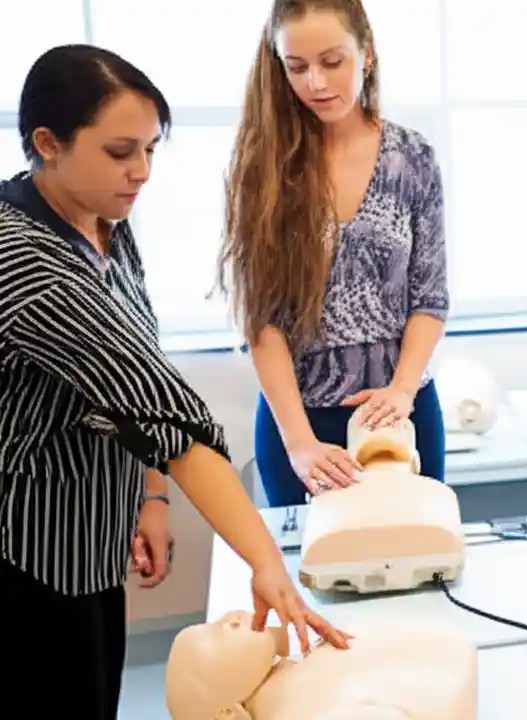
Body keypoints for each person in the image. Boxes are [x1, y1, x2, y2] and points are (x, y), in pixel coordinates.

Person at [0, 44, 346, 720]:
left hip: (92, 532)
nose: (142, 172)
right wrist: (265, 563)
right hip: (26, 546)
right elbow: (170, 417)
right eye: (121, 151)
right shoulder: (26, 263)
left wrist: (150, 496)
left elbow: (125, 383)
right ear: (48, 143)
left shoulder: (101, 219)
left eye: (152, 150)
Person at [219, 0, 449, 507]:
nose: (316, 84)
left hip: (402, 415)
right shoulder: (262, 168)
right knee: (310, 576)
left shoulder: (413, 159)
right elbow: (261, 321)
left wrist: (402, 391)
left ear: (365, 54)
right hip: (302, 426)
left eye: (332, 61)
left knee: (416, 570)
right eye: (297, 68)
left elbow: (430, 299)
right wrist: (300, 444)